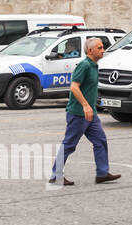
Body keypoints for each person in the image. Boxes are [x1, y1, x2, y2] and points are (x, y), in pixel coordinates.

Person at [49, 37, 120, 186]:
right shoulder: (84, 65)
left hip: (90, 114)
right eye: (99, 48)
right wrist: (86, 105)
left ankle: (102, 173)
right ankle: (56, 176)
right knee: (69, 144)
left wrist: (91, 107)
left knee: (100, 141)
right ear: (90, 50)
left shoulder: (94, 66)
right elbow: (74, 87)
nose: (103, 50)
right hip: (78, 113)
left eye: (102, 47)